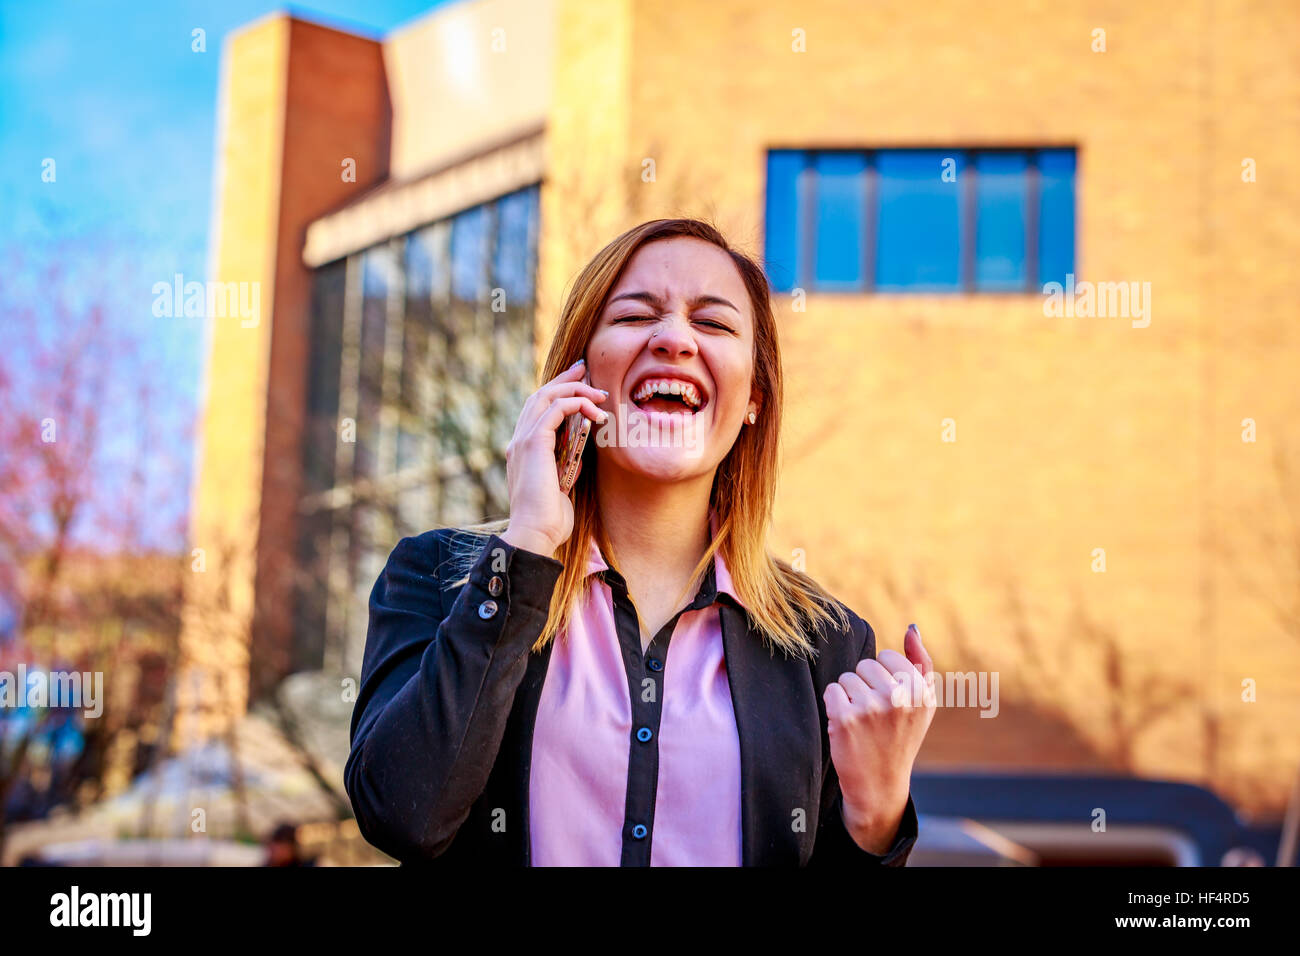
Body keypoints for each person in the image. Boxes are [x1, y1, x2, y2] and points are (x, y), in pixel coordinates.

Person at [345, 218, 936, 866]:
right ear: (577, 373)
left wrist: (877, 819)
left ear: (753, 399)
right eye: (635, 316)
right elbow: (402, 816)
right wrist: (528, 544)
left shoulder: (826, 647)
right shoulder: (440, 577)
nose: (675, 339)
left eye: (712, 323)